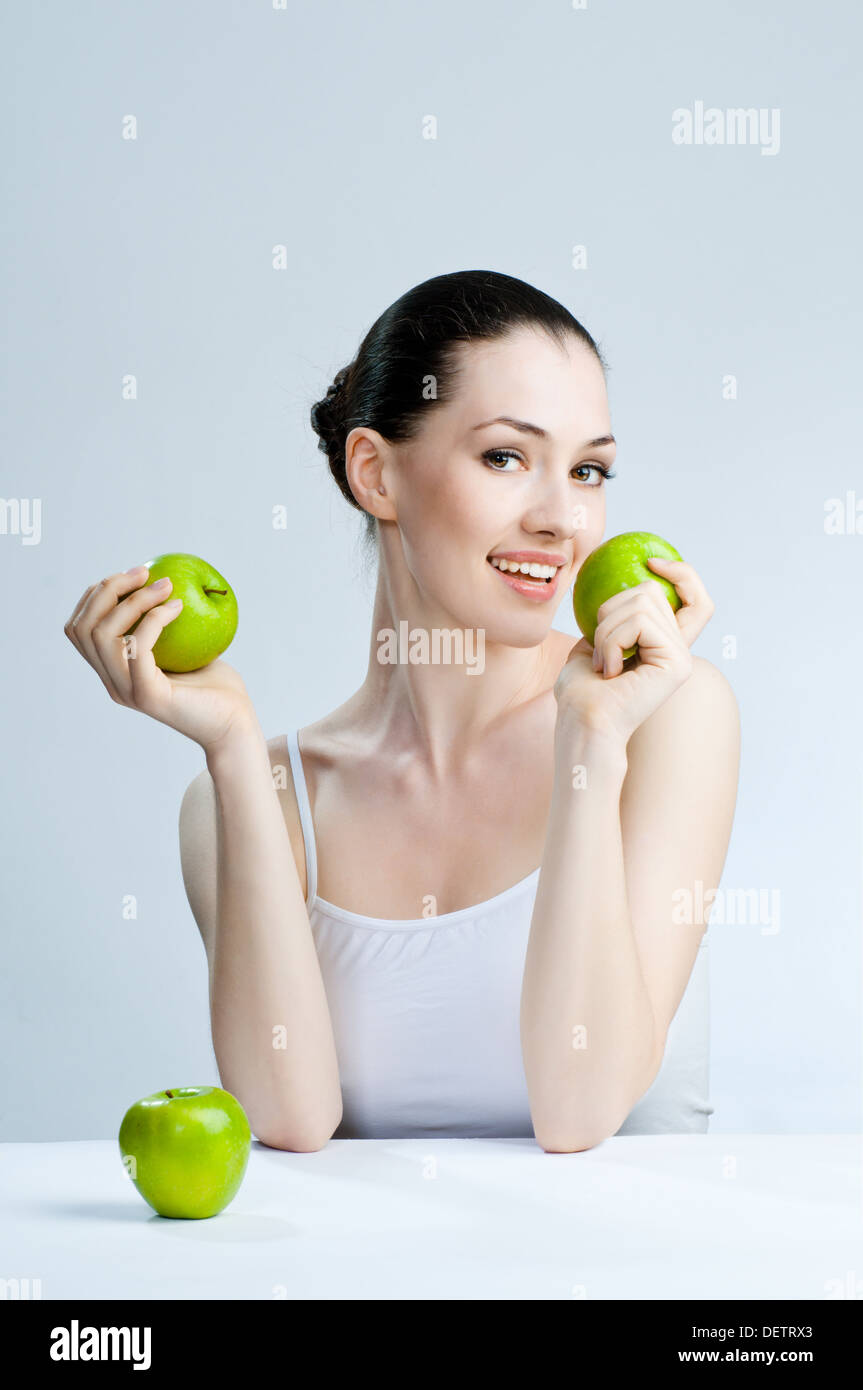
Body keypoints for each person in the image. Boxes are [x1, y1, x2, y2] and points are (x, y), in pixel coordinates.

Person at [63, 269, 740, 1153]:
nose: (563, 518)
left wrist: (591, 739)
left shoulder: (664, 719)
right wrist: (231, 751)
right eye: (505, 457)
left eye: (587, 469)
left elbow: (577, 1111)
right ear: (375, 474)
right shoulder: (254, 795)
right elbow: (287, 1119)